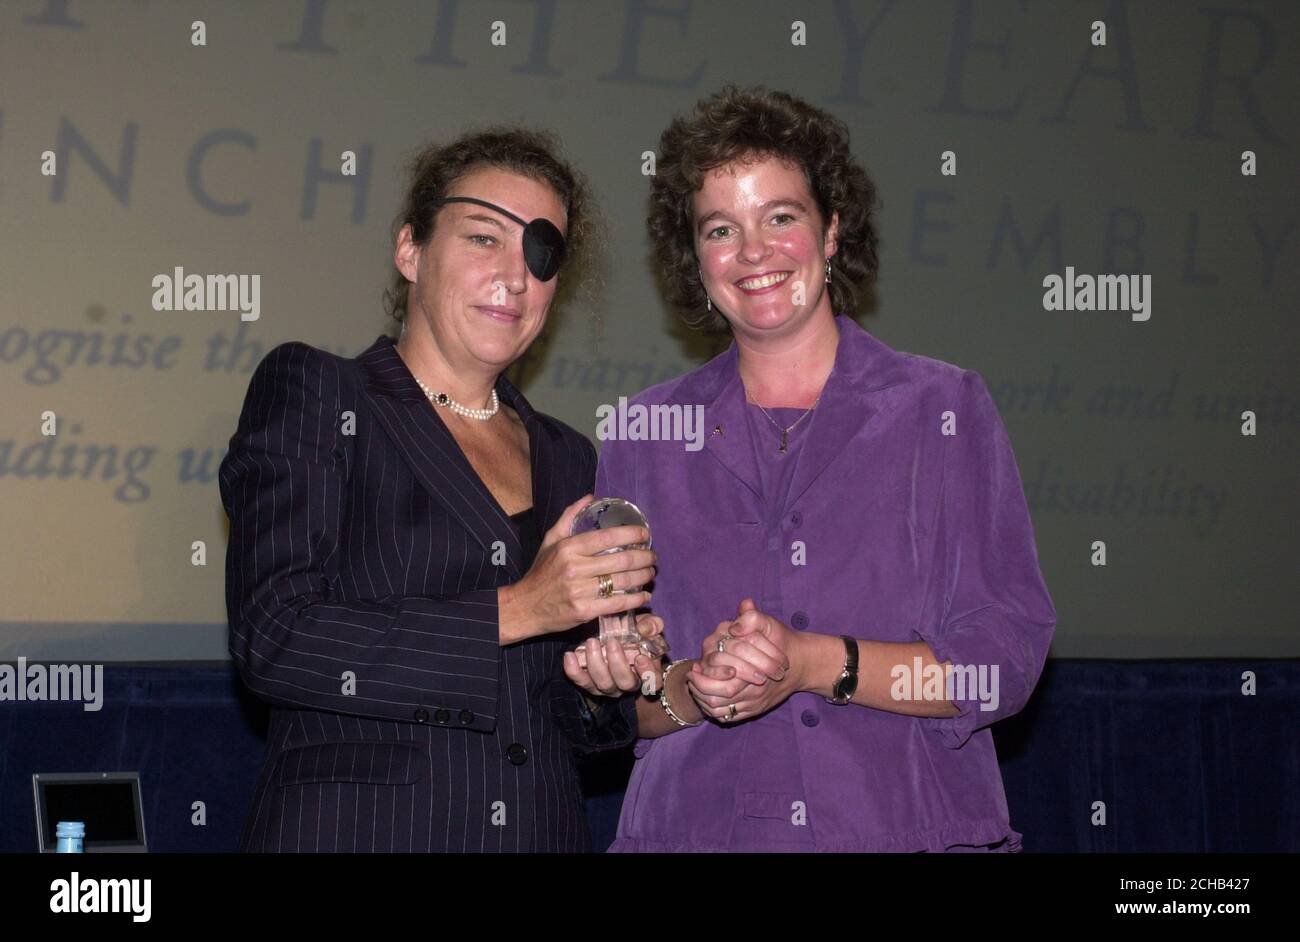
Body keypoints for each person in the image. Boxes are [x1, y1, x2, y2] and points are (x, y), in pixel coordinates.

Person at [597, 86, 1058, 852]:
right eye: (721, 229)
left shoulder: (941, 407)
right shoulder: (641, 432)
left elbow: (1000, 665)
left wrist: (819, 664)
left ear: (833, 230)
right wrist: (686, 685)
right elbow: (616, 703)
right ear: (695, 260)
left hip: (900, 832)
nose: (753, 251)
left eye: (781, 216)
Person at [218, 127, 662, 853]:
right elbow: (275, 637)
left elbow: (563, 723)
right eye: (484, 237)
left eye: (541, 253)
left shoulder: (567, 455)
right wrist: (520, 608)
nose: (515, 276)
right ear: (410, 249)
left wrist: (601, 682)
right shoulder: (319, 392)